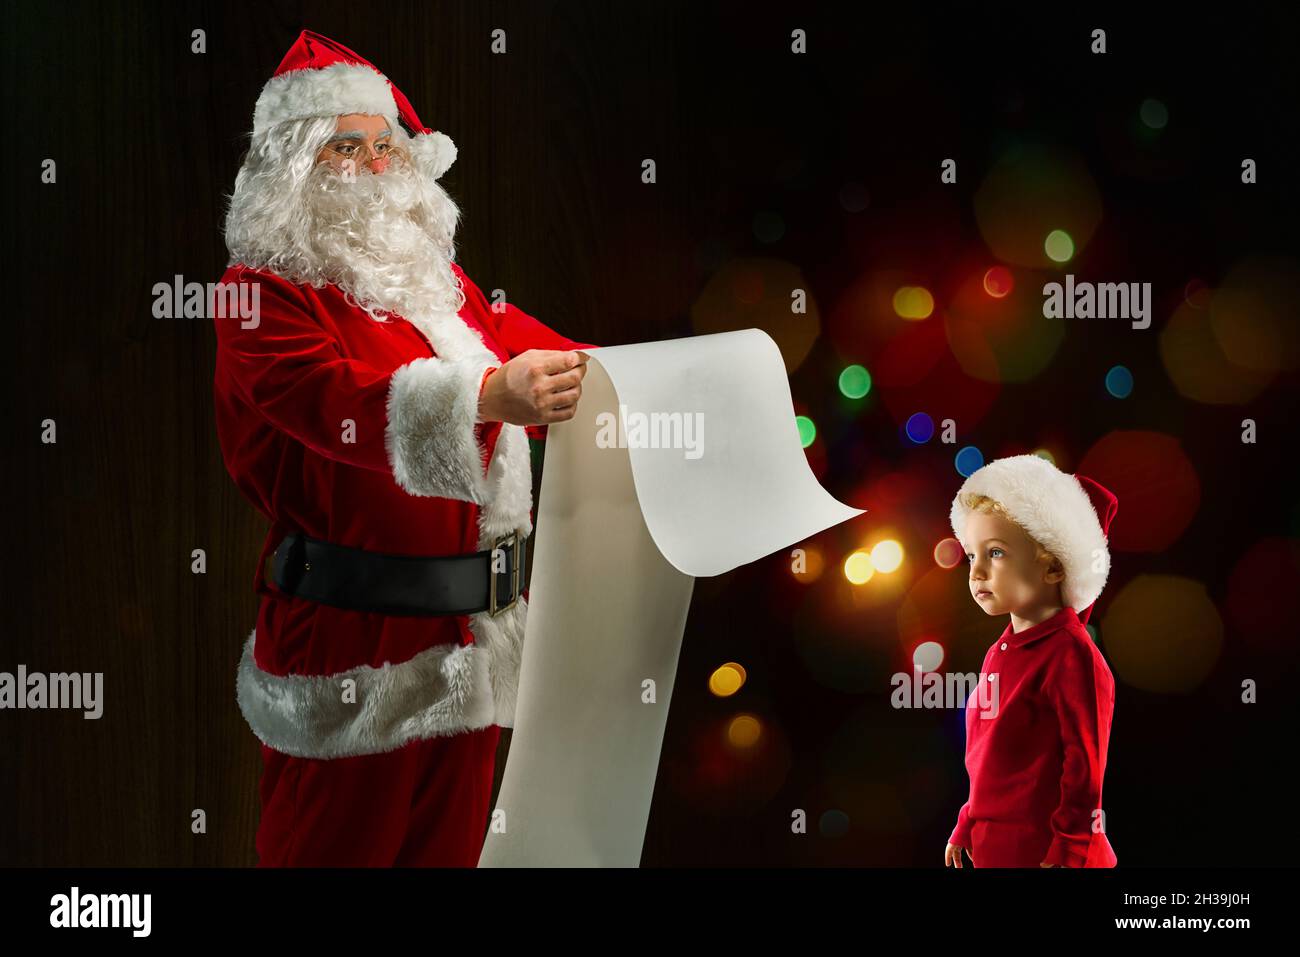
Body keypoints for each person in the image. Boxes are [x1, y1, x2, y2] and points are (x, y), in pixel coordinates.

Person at [212, 30, 598, 866]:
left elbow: (549, 358)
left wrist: (660, 387)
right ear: (294, 167)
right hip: (349, 647)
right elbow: (326, 401)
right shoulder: (258, 295)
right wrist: (495, 394)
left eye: (385, 146)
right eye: (344, 147)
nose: (374, 168)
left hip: (470, 643)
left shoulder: (435, 284)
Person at [942, 454, 1120, 868]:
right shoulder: (998, 653)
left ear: (1055, 567)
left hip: (1042, 854)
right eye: (972, 555)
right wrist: (969, 818)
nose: (977, 571)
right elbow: (988, 754)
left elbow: (1085, 766)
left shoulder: (1071, 655)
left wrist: (1072, 846)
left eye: (997, 553)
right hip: (994, 849)